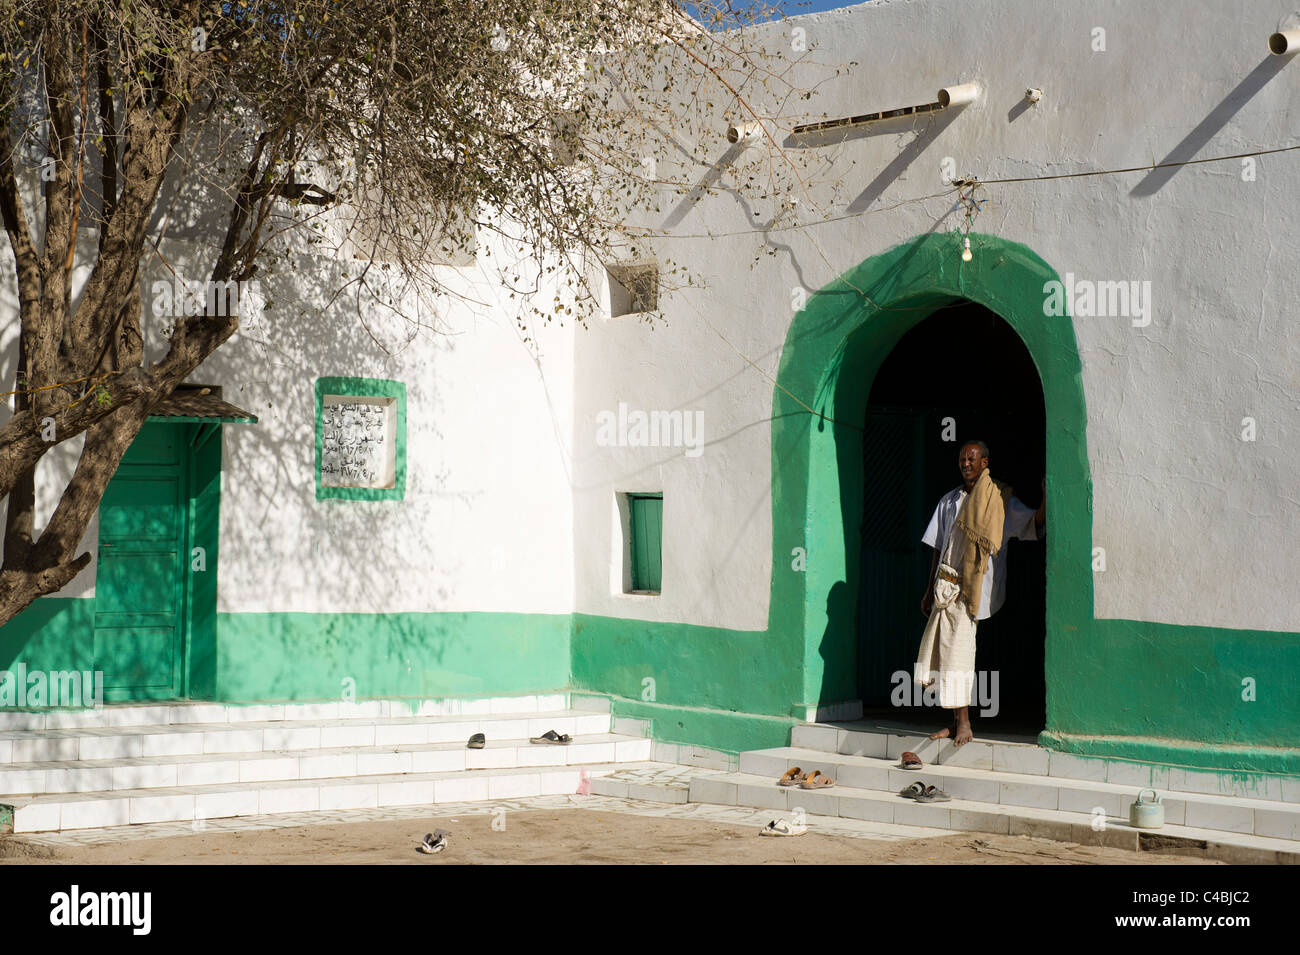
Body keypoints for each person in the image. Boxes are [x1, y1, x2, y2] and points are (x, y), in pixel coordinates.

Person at [914, 440, 1045, 746]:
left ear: (985, 462)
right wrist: (928, 588)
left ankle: (964, 724)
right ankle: (954, 720)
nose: (966, 463)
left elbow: (1032, 524)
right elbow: (938, 547)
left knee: (959, 653)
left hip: (972, 589)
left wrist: (1046, 497)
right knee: (946, 654)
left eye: (972, 459)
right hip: (945, 588)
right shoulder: (949, 501)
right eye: (962, 459)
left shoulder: (999, 500)